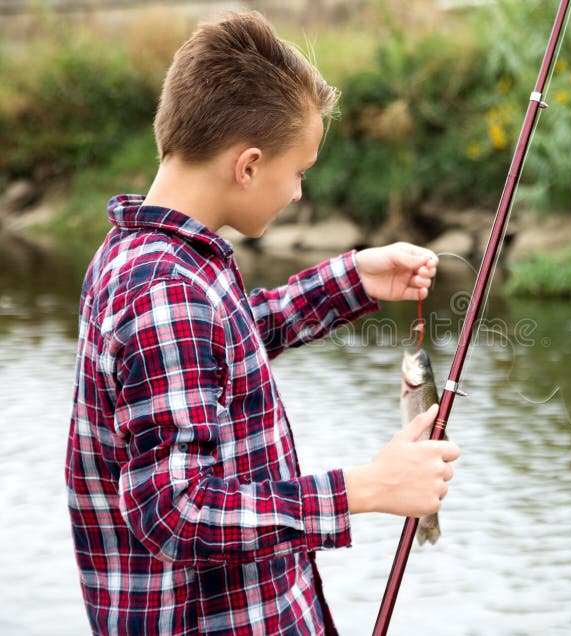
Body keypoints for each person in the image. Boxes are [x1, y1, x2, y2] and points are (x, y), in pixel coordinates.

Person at [65, 11, 460, 635]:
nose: (298, 193)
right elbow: (175, 512)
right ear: (247, 166)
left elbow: (219, 343)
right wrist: (364, 488)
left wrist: (349, 279)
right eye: (297, 172)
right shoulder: (166, 292)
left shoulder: (142, 255)